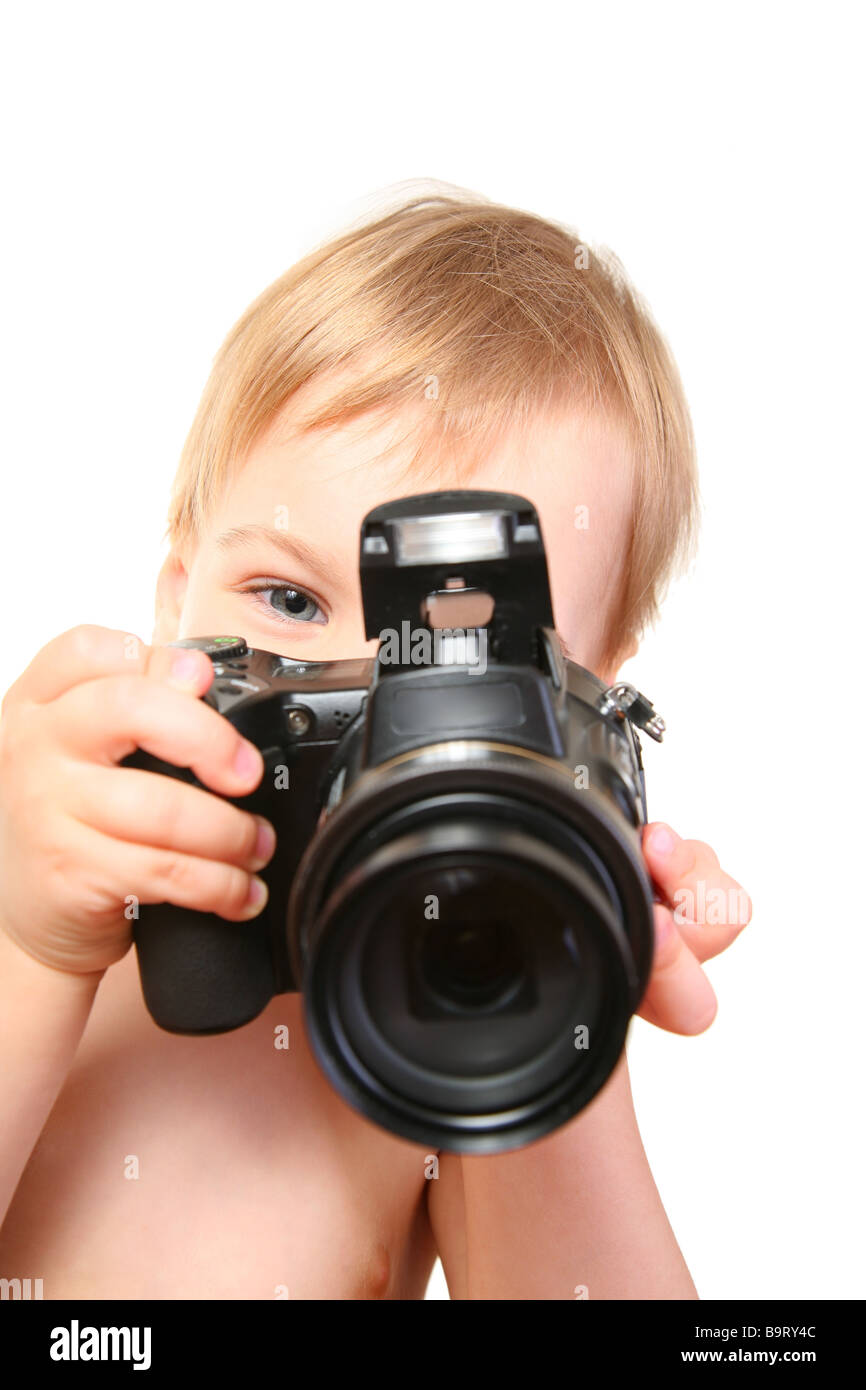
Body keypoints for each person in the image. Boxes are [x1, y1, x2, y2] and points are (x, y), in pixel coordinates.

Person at [0, 189, 751, 1299]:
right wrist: (26, 946)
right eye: (289, 603)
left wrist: (555, 991)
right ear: (174, 607)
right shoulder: (41, 860)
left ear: (590, 706)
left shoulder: (428, 1053)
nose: (377, 713)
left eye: (474, 654)